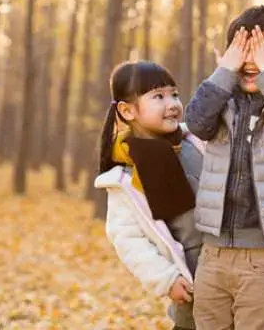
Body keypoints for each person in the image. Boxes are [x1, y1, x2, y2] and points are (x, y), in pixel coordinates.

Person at [185, 5, 264, 329]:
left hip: (263, 256)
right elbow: (197, 122)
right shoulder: (221, 103)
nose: (251, 60)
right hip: (213, 252)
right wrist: (224, 72)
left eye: (262, 50)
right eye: (243, 49)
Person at [95, 61, 204, 330]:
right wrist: (166, 279)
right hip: (190, 277)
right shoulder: (126, 176)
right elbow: (128, 238)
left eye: (174, 94)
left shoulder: (195, 141)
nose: (172, 104)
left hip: (227, 264)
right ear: (127, 110)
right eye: (158, 97)